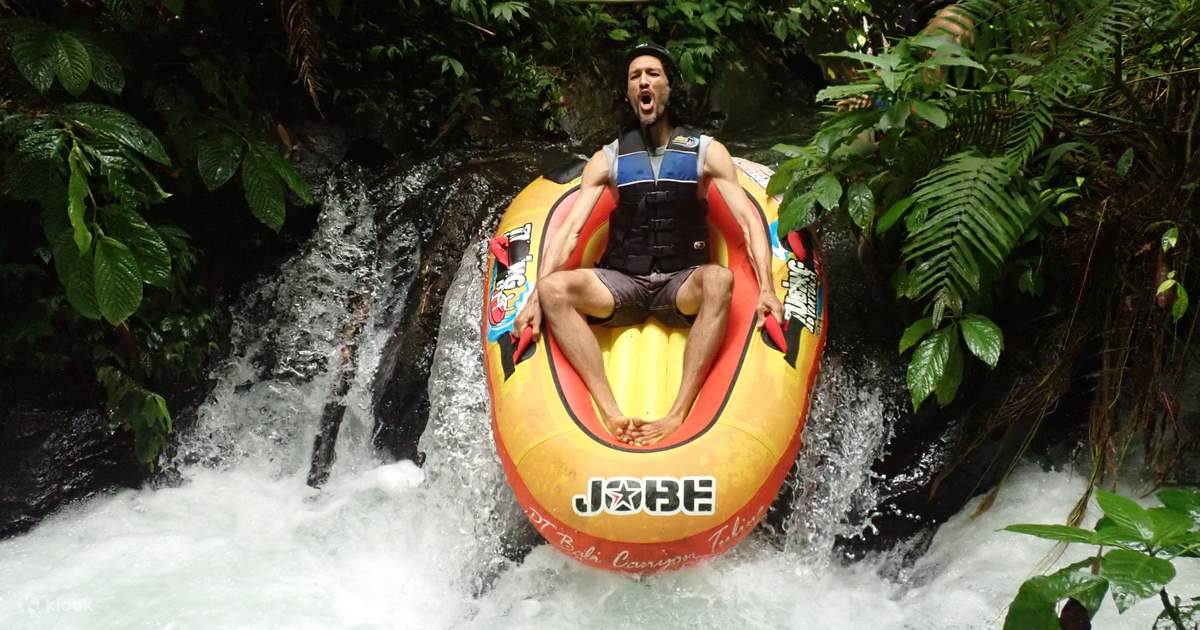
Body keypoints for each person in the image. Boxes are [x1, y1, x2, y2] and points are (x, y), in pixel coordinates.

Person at [513, 43, 783, 446]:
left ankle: (677, 413)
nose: (644, 81)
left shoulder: (707, 152)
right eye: (635, 76)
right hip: (623, 283)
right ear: (628, 94)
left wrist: (767, 288)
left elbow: (747, 220)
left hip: (681, 285)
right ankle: (609, 410)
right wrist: (534, 298)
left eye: (653, 74)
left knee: (719, 279)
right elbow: (570, 231)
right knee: (553, 289)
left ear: (669, 88)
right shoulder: (608, 159)